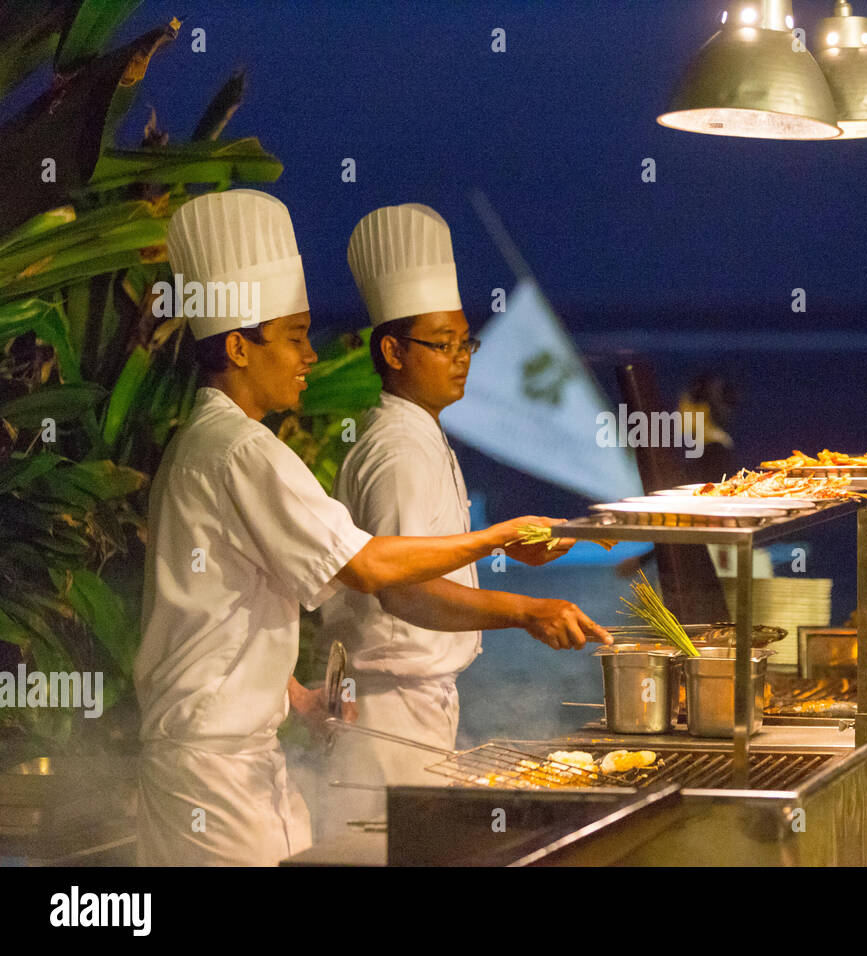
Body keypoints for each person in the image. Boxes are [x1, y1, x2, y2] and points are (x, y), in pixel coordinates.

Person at [133, 190, 559, 866]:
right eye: (295, 336)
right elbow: (367, 567)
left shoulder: (212, 442)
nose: (311, 355)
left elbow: (221, 611)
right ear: (239, 346)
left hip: (236, 763)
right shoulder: (241, 450)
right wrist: (500, 543)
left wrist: (296, 698)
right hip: (214, 776)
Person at [320, 204, 610, 831]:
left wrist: (499, 548)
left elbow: (424, 556)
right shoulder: (398, 448)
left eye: (464, 342)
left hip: (410, 707)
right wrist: (527, 611)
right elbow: (403, 590)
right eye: (440, 344)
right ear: (393, 351)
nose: (461, 358)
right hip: (384, 716)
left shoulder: (420, 431)